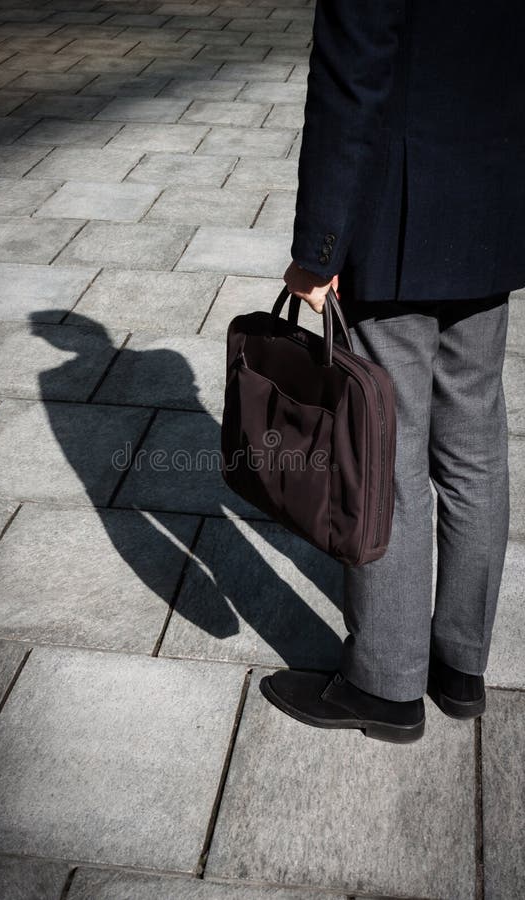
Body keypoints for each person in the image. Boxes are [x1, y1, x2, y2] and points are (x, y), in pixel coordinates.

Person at [260, 0, 525, 743]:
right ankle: (460, 667)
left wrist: (319, 247)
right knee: (475, 439)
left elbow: (352, 74)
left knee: (389, 451)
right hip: (494, 204)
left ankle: (384, 683)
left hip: (400, 219)